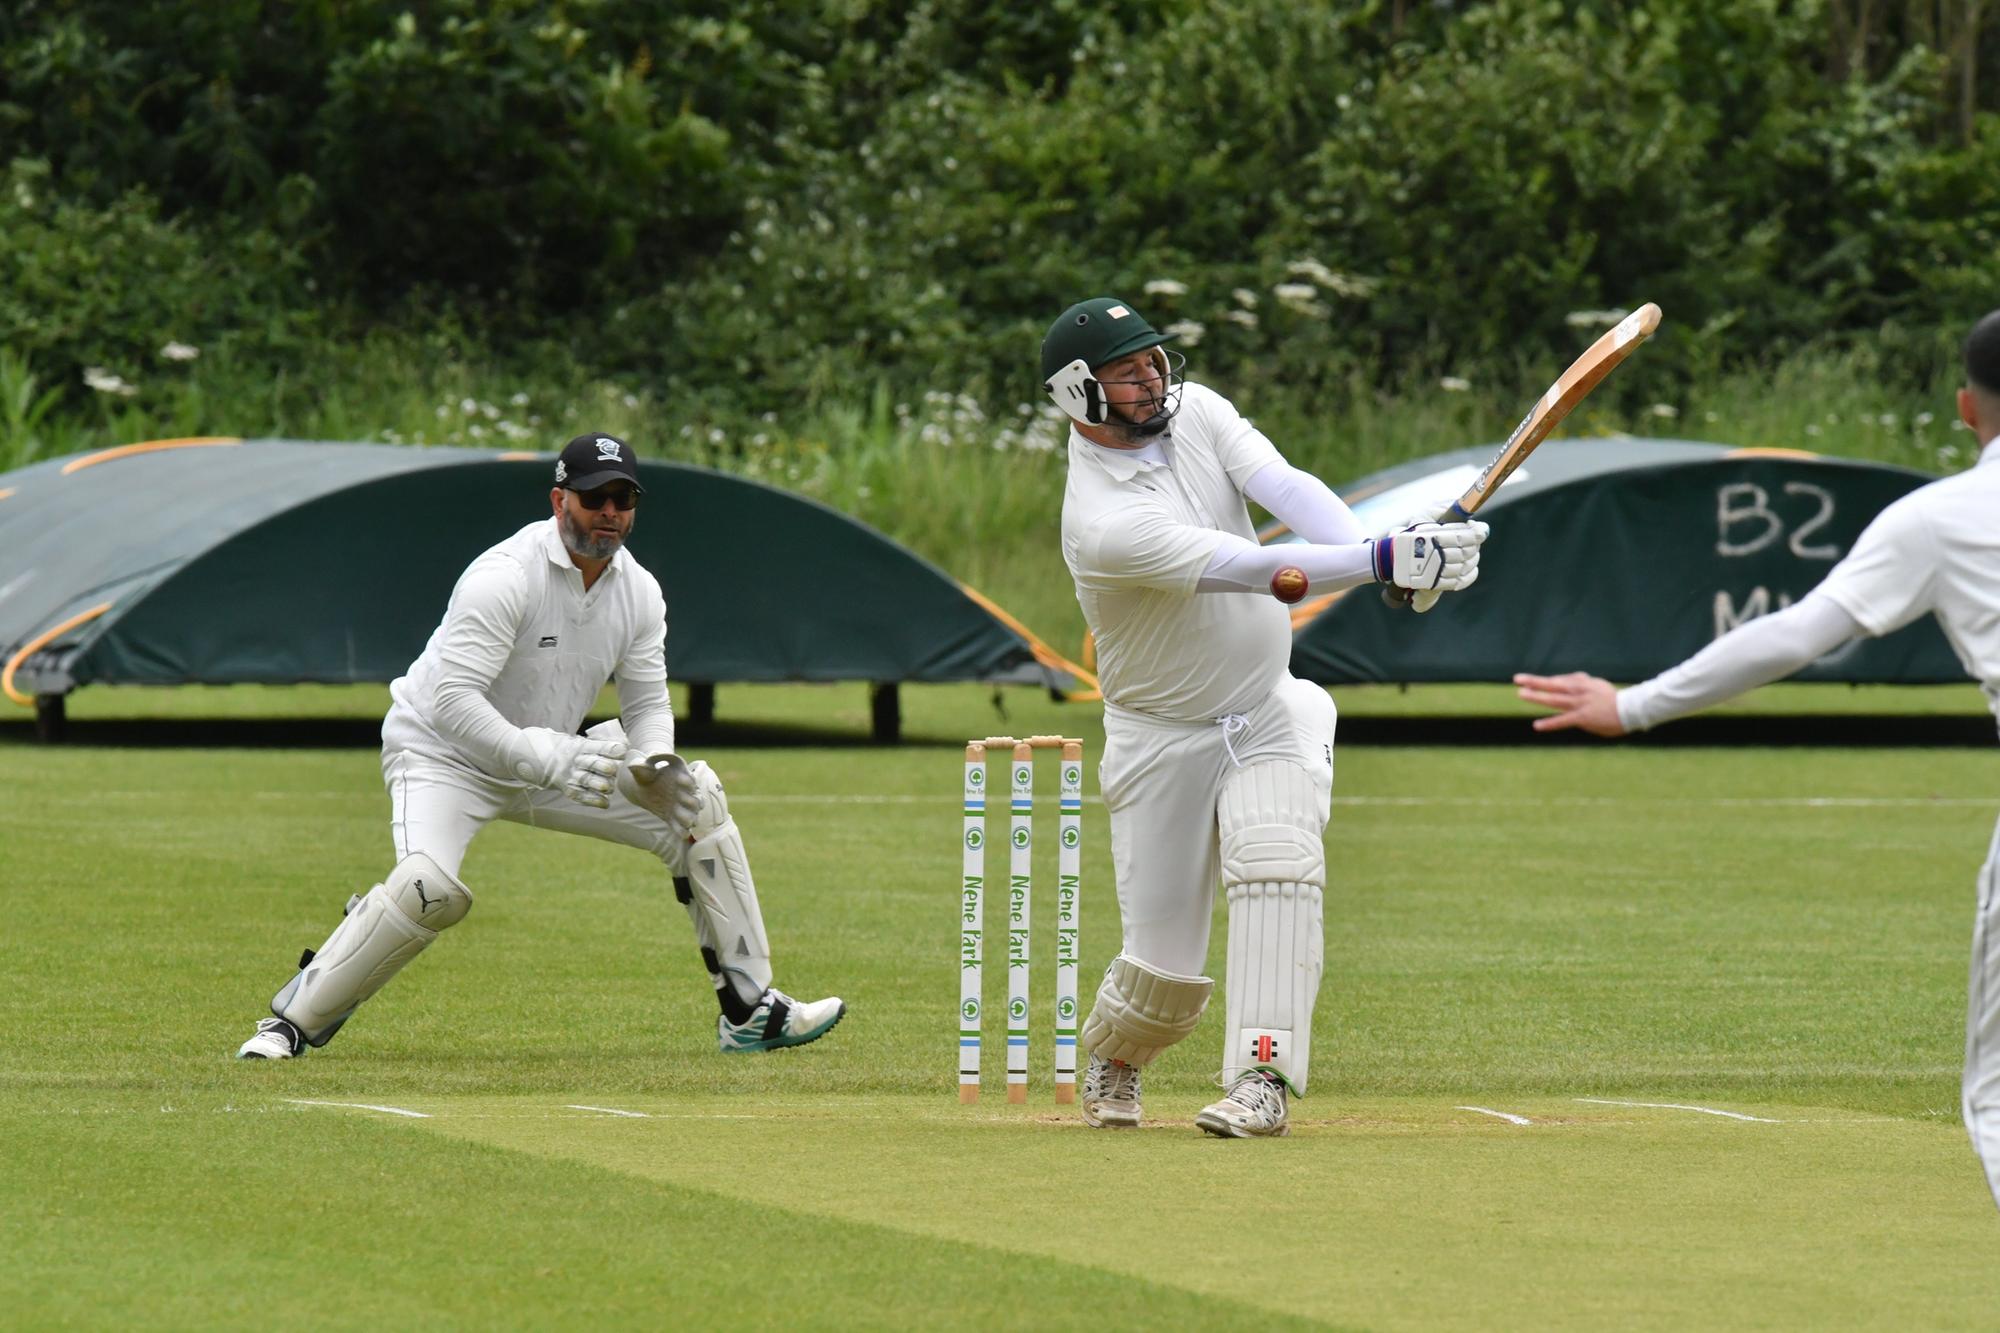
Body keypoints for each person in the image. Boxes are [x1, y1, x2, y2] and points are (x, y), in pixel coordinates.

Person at [1515, 307, 2000, 1212]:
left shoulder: (1938, 518)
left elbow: (1794, 635)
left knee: (1995, 1096)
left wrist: (1633, 703)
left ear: (1968, 408)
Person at [235, 432, 845, 1060]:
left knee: (699, 804)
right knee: (428, 889)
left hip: (551, 759)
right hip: (443, 755)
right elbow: (453, 702)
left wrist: (655, 763)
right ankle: (287, 1026)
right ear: (560, 501)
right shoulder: (503, 577)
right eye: (595, 497)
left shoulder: (640, 592)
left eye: (624, 498)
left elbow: (647, 705)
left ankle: (751, 1011)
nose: (610, 512)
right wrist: (548, 756)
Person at [1044, 296, 1490, 1136]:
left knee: (1278, 865)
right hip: (1158, 738)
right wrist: (1379, 559)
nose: (1150, 377)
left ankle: (1262, 1079)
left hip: (1267, 707)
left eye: (1152, 360)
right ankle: (1118, 1052)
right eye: (1125, 370)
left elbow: (1285, 487)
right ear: (1079, 394)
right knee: (1162, 975)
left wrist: (1376, 557)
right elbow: (1258, 570)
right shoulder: (1102, 523)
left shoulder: (1201, 411)